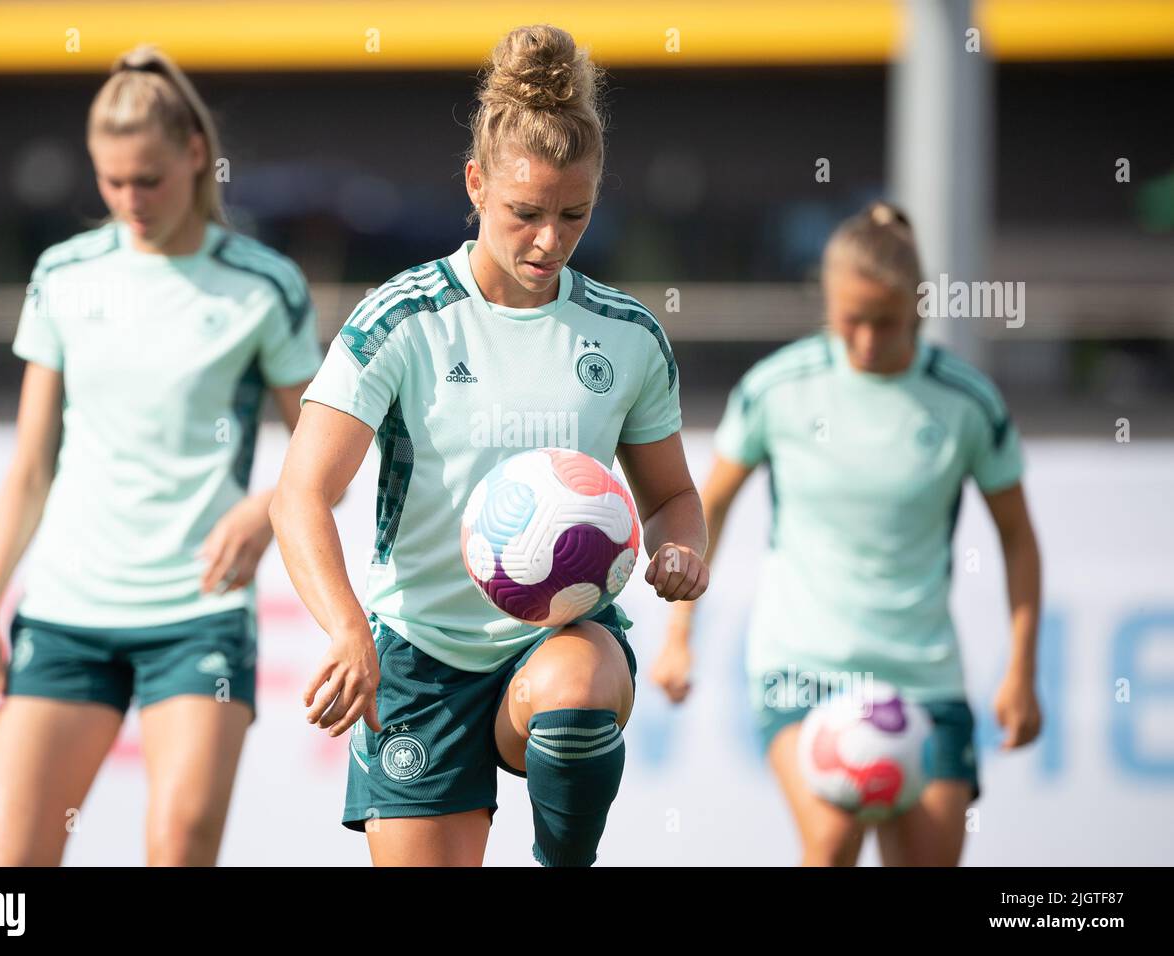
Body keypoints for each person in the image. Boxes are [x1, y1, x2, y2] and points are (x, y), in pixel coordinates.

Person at [270, 24, 708, 867]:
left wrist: (682, 547)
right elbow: (300, 493)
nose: (549, 240)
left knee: (577, 696)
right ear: (475, 185)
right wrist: (348, 630)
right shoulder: (400, 318)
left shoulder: (625, 335)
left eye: (573, 214)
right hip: (419, 650)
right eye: (525, 213)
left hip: (562, 640)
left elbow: (671, 498)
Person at [0, 45, 323, 866]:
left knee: (179, 844)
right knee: (2, 874)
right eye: (112, 182)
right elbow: (29, 467)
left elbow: (323, 447)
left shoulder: (264, 286)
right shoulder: (63, 274)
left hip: (199, 614)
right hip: (66, 611)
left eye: (149, 179)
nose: (131, 201)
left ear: (197, 154)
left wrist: (265, 510)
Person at [652, 202, 1043, 866]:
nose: (865, 341)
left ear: (919, 306)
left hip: (924, 674)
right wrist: (680, 634)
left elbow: (1015, 537)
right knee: (830, 841)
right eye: (850, 320)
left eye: (884, 323)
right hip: (801, 667)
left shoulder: (967, 401)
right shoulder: (777, 389)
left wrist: (1021, 672)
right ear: (826, 303)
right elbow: (705, 506)